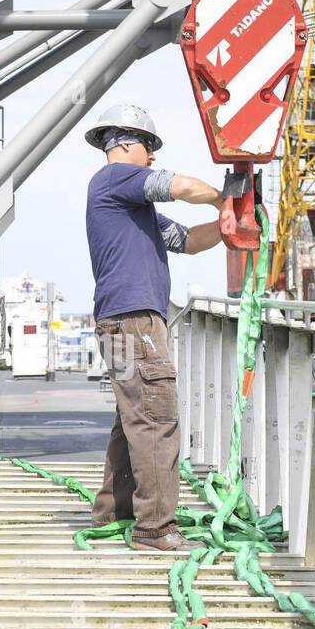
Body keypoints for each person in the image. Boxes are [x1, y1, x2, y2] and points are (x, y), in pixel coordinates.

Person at [83, 104, 229, 552]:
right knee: (156, 419)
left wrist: (229, 225)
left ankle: (116, 511)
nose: (151, 158)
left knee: (134, 418)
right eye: (149, 148)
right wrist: (226, 197)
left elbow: (185, 240)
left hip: (119, 319)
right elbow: (179, 186)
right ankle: (155, 528)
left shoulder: (131, 208)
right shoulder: (115, 179)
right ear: (125, 142)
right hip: (135, 321)